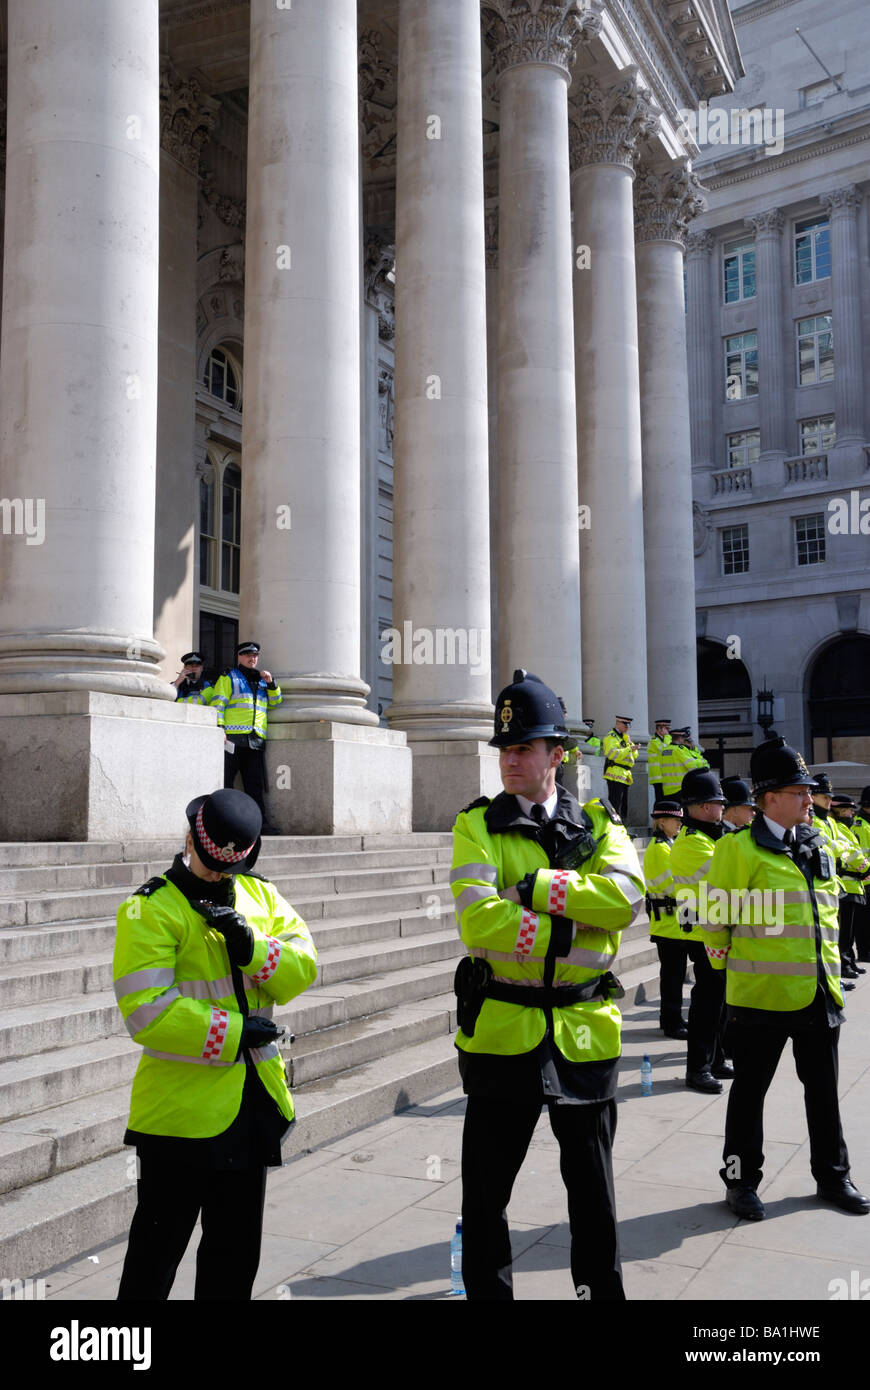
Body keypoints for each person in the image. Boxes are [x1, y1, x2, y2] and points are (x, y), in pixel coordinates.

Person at [451, 669, 645, 1300]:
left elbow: (623, 900)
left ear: (557, 755)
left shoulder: (599, 821)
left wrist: (534, 890)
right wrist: (572, 929)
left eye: (523, 747)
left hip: (584, 1033)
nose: (510, 760)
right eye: (505, 749)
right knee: (485, 1195)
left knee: (593, 1192)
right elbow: (478, 917)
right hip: (501, 1031)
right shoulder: (476, 825)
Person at [114, 788, 318, 1299]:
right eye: (208, 863)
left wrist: (253, 948)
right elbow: (145, 1011)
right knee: (152, 1263)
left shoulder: (262, 896)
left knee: (233, 1261)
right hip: (179, 1116)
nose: (217, 874)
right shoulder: (151, 909)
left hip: (250, 1109)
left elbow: (302, 968)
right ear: (189, 839)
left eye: (227, 866)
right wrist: (232, 1033)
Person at [702, 737, 869, 1220]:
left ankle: (834, 1177)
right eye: (798, 791)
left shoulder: (816, 844)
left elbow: (826, 916)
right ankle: (739, 1181)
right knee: (749, 1096)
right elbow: (715, 921)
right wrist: (735, 972)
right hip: (760, 999)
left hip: (820, 993)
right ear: (769, 798)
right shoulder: (739, 849)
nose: (807, 798)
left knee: (824, 1094)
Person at [667, 768, 732, 1093]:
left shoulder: (707, 837)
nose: (723, 809)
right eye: (719, 803)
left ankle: (717, 1058)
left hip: (712, 928)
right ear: (706, 806)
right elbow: (728, 873)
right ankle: (698, 1068)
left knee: (718, 1001)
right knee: (706, 1004)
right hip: (702, 933)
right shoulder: (693, 843)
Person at [211, 641, 282, 833]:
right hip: (233, 738)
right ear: (240, 657)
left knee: (254, 785)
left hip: (255, 739)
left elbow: (276, 702)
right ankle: (223, 823)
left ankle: (259, 824)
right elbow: (218, 704)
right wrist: (220, 728)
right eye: (248, 655)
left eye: (255, 655)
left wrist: (271, 683)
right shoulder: (228, 677)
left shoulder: (262, 680)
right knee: (226, 781)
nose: (253, 659)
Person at [643, 799, 688, 1039]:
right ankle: (671, 1022)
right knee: (672, 976)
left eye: (681, 819)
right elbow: (673, 885)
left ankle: (674, 1018)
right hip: (667, 922)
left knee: (676, 975)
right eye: (676, 819)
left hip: (674, 922)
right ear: (662, 822)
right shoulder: (660, 848)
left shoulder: (670, 845)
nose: (680, 823)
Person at [829, 794, 870, 980]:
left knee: (850, 931)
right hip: (847, 883)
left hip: (855, 884)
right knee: (845, 932)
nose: (852, 812)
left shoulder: (844, 827)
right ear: (840, 810)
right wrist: (866, 868)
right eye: (848, 809)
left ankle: (849, 961)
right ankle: (845, 964)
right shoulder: (839, 827)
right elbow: (851, 854)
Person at [601, 714, 639, 821]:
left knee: (624, 804)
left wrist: (631, 746)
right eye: (625, 724)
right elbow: (613, 754)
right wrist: (629, 749)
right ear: (618, 723)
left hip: (625, 774)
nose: (627, 728)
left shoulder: (625, 738)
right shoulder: (611, 737)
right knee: (615, 803)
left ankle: (623, 827)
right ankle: (613, 826)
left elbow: (635, 756)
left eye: (628, 725)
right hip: (615, 773)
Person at [647, 719, 672, 804]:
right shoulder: (654, 741)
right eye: (667, 729)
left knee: (664, 800)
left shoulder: (662, 740)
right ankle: (657, 817)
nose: (669, 732)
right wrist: (668, 737)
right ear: (660, 729)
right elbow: (666, 750)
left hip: (663, 775)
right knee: (660, 800)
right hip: (658, 776)